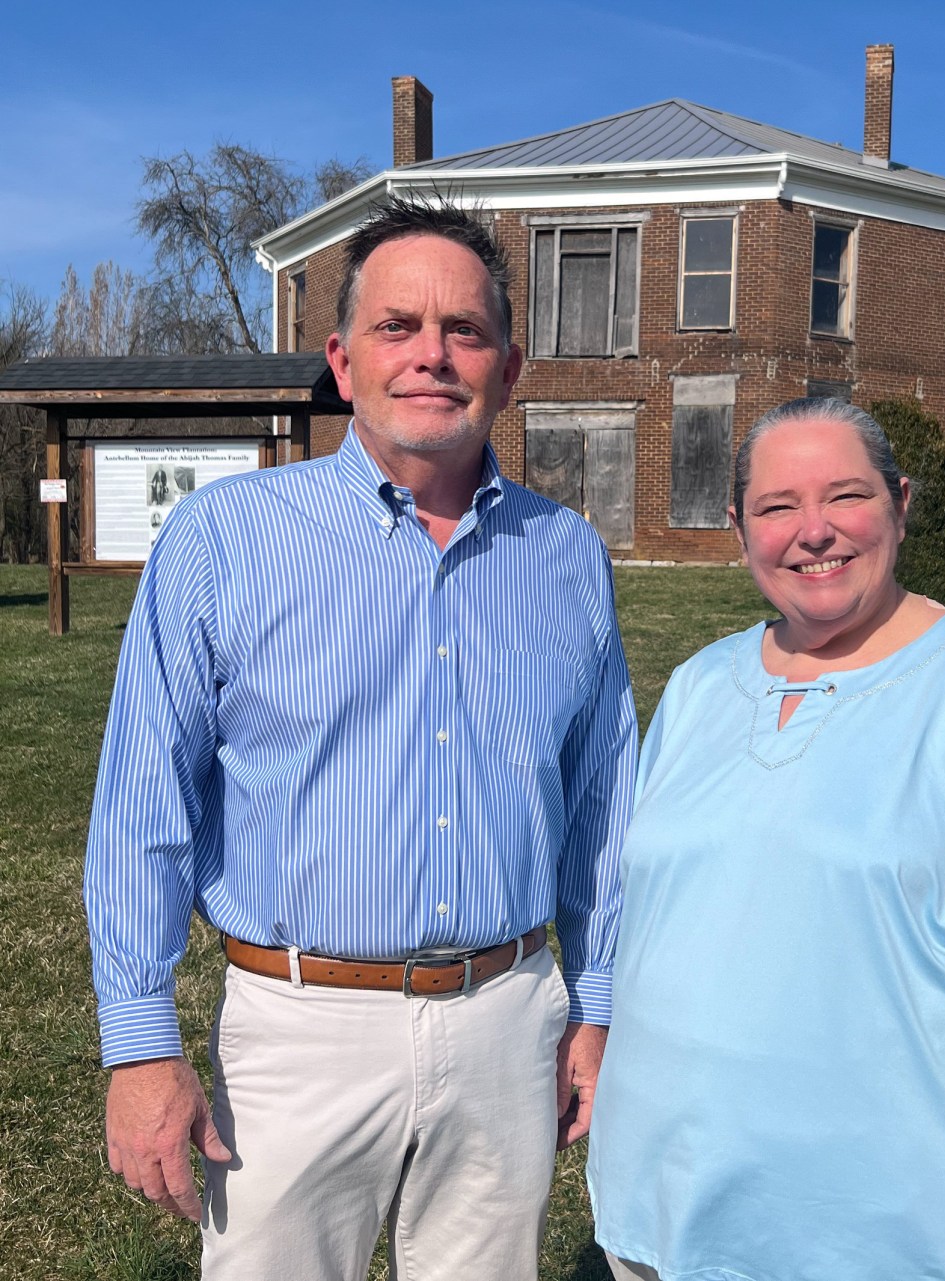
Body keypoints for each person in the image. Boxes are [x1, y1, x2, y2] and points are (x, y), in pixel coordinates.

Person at [84, 194, 638, 1281]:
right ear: (343, 361)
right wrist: (141, 1040)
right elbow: (143, 801)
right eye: (398, 327)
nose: (431, 355)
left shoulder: (565, 555)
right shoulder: (227, 539)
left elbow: (601, 801)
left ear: (508, 368)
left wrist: (599, 1001)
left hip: (509, 1018)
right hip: (300, 1029)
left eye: (464, 331)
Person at [587, 398, 945, 1281]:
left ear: (900, 503)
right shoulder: (700, 687)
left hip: (879, 1235)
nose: (813, 532)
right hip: (665, 1211)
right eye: (777, 507)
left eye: (845, 496)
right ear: (740, 528)